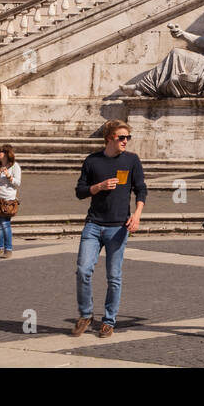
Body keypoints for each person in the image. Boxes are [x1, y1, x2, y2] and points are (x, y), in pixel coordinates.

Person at [72, 120, 147, 338]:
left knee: (114, 276)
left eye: (127, 137)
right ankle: (86, 314)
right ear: (109, 138)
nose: (125, 141)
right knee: (83, 270)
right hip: (94, 225)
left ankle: (109, 320)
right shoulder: (92, 161)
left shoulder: (132, 160)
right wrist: (99, 187)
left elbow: (141, 189)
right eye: (121, 137)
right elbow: (79, 191)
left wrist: (137, 215)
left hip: (118, 227)